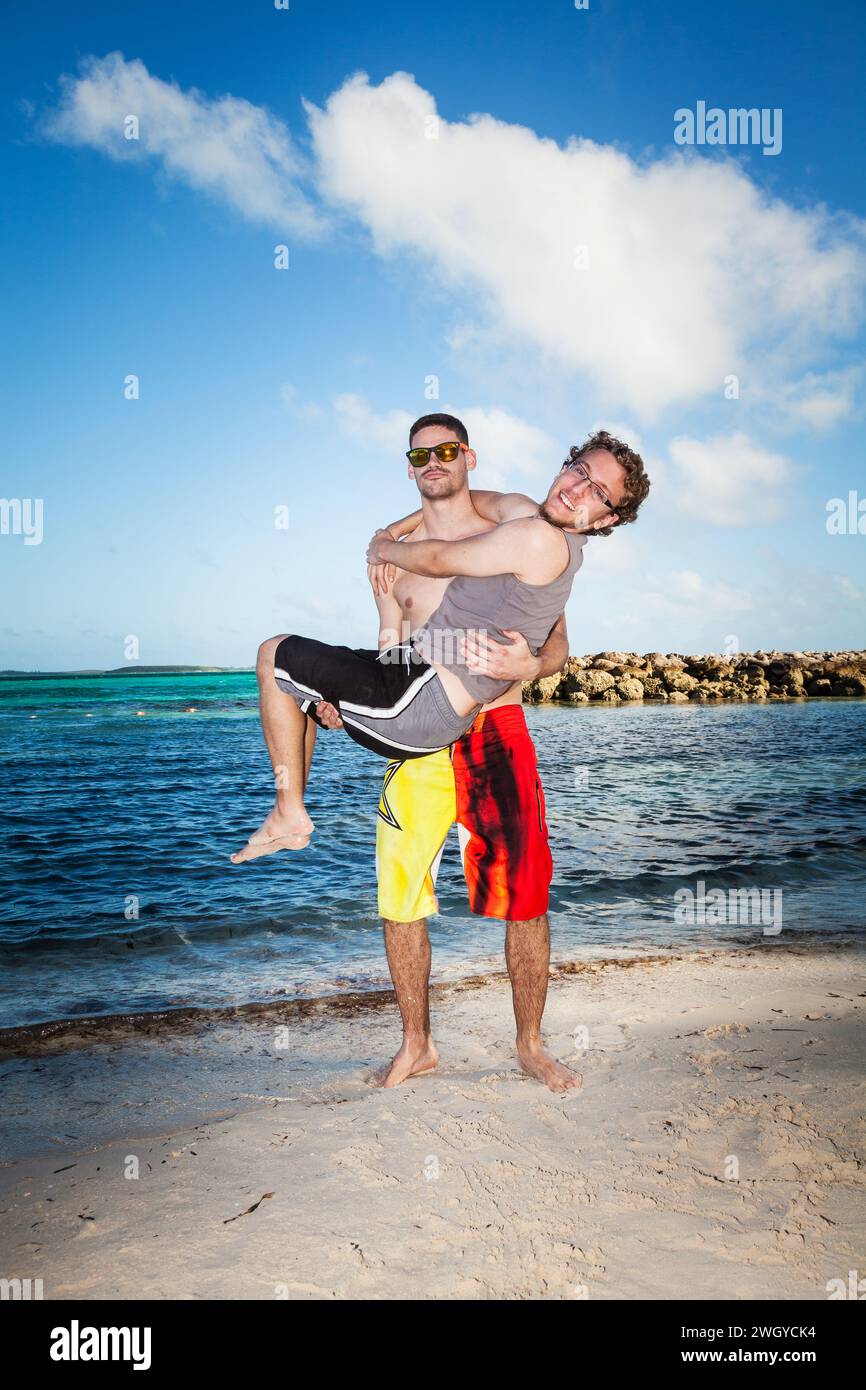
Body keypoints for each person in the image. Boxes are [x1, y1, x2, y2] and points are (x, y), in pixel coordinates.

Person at [230, 424, 649, 862]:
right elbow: (471, 504)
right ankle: (291, 807)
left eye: (598, 491)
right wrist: (394, 530)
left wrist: (382, 548)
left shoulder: (536, 538)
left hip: (424, 705)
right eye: (579, 471)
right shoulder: (534, 523)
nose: (578, 489)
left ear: (606, 519)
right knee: (299, 684)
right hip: (412, 684)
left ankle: (289, 812)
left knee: (273, 652)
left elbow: (436, 559)